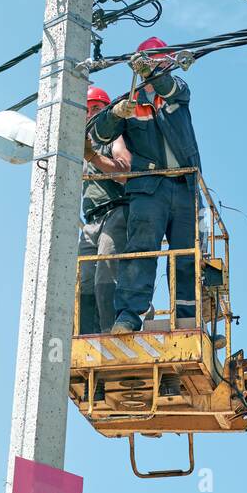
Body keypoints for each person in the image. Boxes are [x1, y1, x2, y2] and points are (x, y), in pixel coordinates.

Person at [91, 38, 204, 340]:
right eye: (158, 60)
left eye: (163, 60)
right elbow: (100, 134)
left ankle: (187, 321)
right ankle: (129, 316)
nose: (164, 64)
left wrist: (149, 71)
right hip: (149, 189)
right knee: (140, 250)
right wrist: (115, 114)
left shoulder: (176, 92)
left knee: (187, 257)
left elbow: (170, 87)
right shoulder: (129, 102)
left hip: (185, 186)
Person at [77, 86, 129, 335]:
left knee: (106, 273)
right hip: (90, 220)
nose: (90, 115)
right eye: (86, 110)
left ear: (106, 110)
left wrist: (94, 157)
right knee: (84, 280)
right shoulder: (77, 146)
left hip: (115, 212)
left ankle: (110, 332)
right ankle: (87, 336)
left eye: (96, 108)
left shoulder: (112, 137)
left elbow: (125, 172)